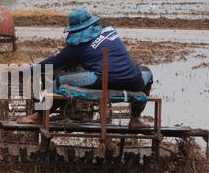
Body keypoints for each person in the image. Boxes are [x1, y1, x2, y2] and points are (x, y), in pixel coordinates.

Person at [18, 8, 153, 129]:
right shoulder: (109, 29)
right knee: (148, 72)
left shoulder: (76, 48)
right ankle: (135, 118)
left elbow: (54, 62)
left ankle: (40, 116)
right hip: (134, 79)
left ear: (74, 30)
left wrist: (28, 71)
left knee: (59, 81)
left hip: (103, 79)